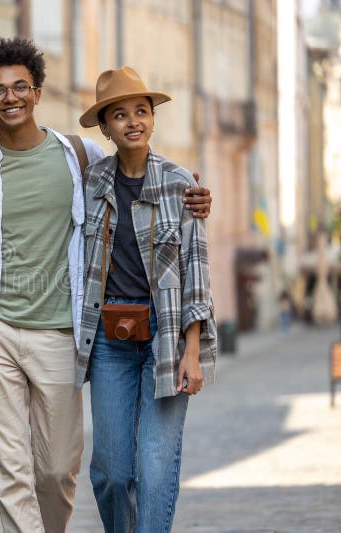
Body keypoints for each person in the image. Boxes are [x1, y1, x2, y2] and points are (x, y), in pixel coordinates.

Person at [0, 38, 212, 532]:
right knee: (29, 470)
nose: (11, 96)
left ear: (38, 92)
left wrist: (195, 202)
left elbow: (178, 238)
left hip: (73, 333)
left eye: (21, 85)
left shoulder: (80, 159)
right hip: (7, 330)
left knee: (59, 468)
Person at [75, 66, 218, 533]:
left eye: (141, 111)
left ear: (153, 119)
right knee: (113, 473)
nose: (133, 121)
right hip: (109, 341)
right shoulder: (90, 183)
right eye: (120, 115)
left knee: (155, 467)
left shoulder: (181, 184)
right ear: (106, 128)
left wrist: (191, 352)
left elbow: (197, 272)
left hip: (167, 336)